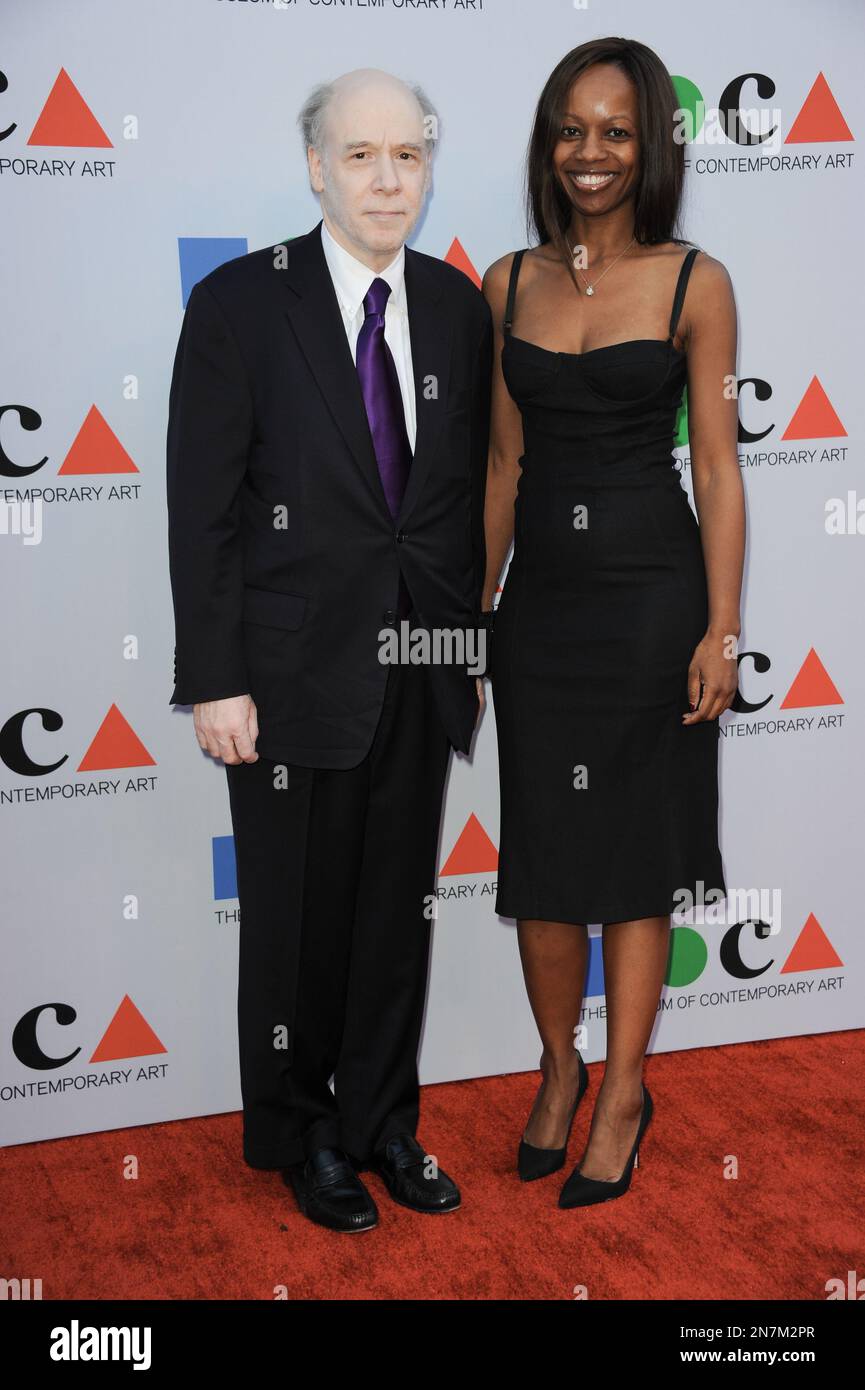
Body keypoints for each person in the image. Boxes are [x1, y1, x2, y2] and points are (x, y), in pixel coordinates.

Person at [166, 68, 491, 1233]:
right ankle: (305, 1135)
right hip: (288, 677)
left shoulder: (457, 306)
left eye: (406, 154)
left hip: (418, 669)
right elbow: (201, 508)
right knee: (299, 923)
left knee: (396, 917)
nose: (387, 178)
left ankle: (383, 1124)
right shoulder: (243, 304)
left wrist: (464, 652)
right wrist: (213, 675)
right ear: (316, 166)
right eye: (361, 156)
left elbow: (449, 503)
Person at [481, 37, 744, 1209]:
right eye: (570, 130)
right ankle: (558, 1063)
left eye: (616, 131)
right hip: (541, 611)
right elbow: (501, 462)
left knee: (635, 865)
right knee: (541, 865)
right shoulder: (505, 281)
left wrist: (721, 629)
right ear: (549, 143)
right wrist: (464, 624)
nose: (590, 153)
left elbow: (722, 470)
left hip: (652, 601)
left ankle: (626, 1089)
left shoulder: (696, 282)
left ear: (651, 149)